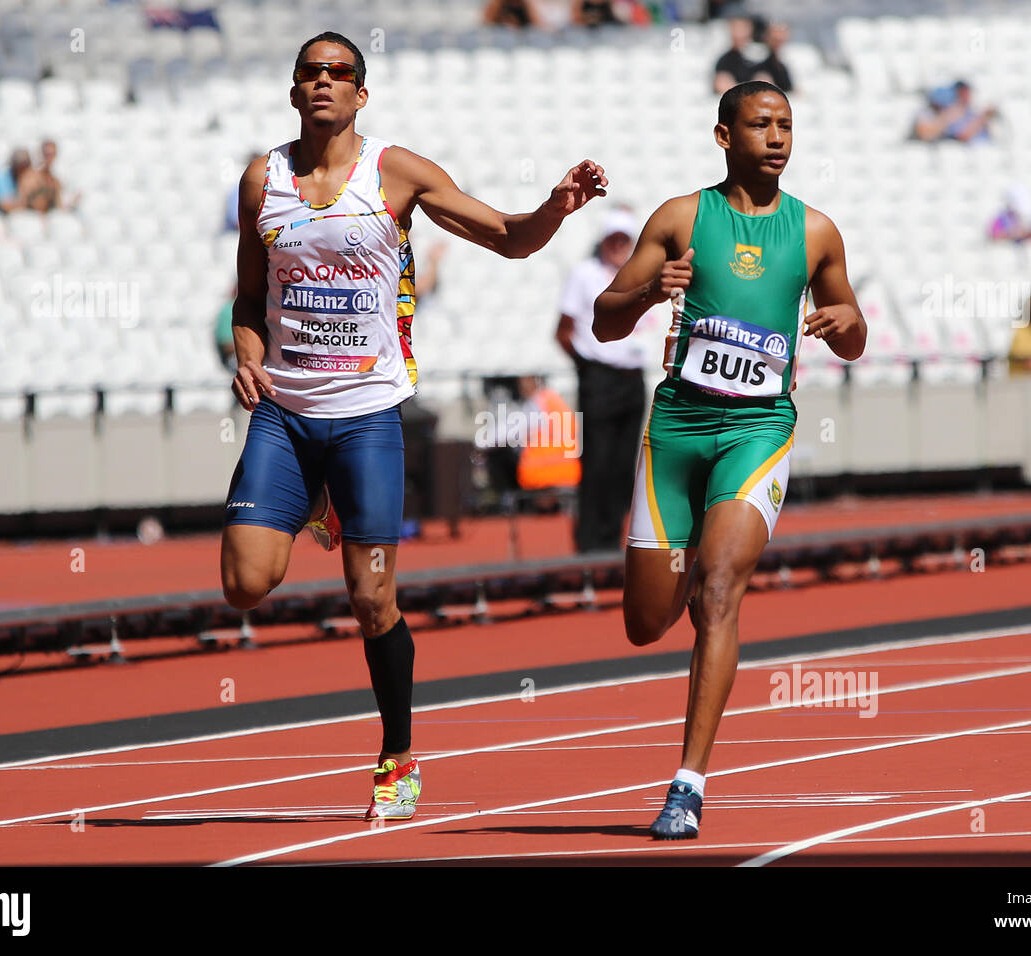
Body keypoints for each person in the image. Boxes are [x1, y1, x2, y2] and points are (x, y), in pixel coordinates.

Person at [221, 32, 606, 822]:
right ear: (294, 91)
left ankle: (397, 753)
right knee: (245, 585)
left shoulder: (396, 173)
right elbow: (247, 298)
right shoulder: (263, 180)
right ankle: (318, 503)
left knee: (371, 600)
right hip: (286, 412)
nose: (325, 83)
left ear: (363, 94)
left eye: (341, 74)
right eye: (311, 73)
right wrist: (247, 352)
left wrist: (555, 208)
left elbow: (507, 236)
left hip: (366, 414)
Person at [593, 80, 866, 839]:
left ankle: (687, 785)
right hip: (675, 431)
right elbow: (604, 322)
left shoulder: (815, 232)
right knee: (648, 623)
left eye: (785, 125)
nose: (776, 137)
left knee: (719, 592)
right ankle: (679, 561)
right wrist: (650, 291)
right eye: (760, 124)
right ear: (724, 136)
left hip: (757, 429)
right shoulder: (682, 218)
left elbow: (852, 335)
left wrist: (847, 321)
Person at [556, 208, 656, 552]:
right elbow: (563, 331)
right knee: (596, 461)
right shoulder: (585, 275)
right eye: (613, 238)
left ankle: (611, 540)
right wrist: (587, 367)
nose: (618, 244)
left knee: (623, 464)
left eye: (623, 239)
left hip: (632, 378)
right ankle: (588, 545)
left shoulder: (639, 275)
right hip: (599, 376)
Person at [712, 16, 761, 94]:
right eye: (736, 29)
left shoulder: (760, 57)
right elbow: (721, 85)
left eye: (742, 29)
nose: (739, 34)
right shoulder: (724, 61)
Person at [749, 21, 793, 93]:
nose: (778, 43)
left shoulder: (785, 60)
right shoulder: (755, 58)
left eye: (780, 40)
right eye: (775, 39)